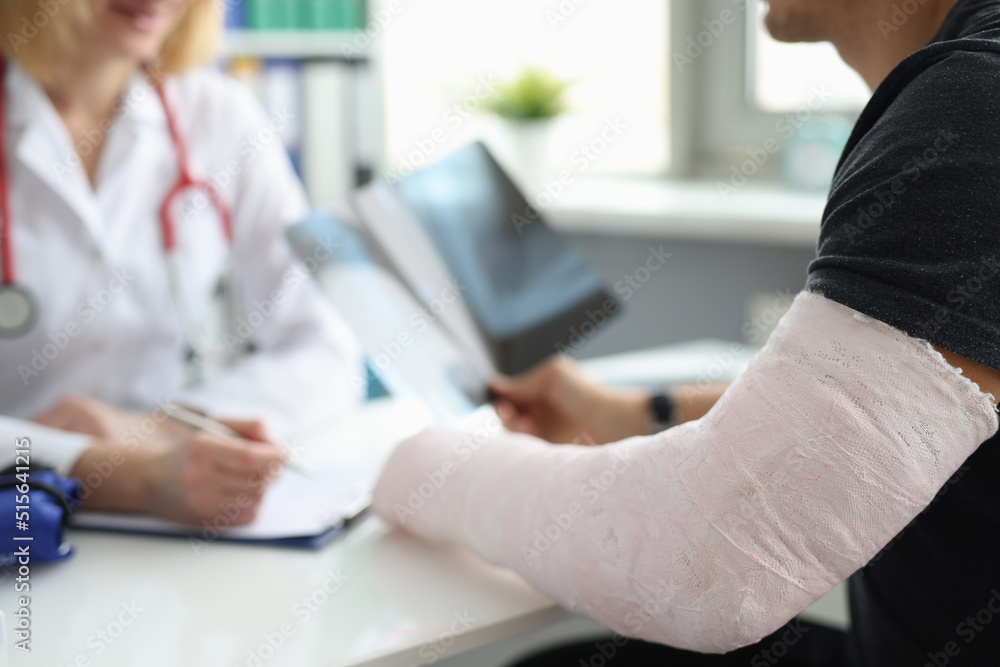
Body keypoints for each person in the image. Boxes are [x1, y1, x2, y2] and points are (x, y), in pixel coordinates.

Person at [371, 0, 1000, 664]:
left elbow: (709, 565)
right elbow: (880, 407)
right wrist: (630, 413)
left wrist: (423, 469)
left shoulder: (973, 102)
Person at [0, 0, 362, 526]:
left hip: (170, 520)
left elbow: (325, 349)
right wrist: (116, 472)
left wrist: (160, 428)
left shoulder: (219, 115)